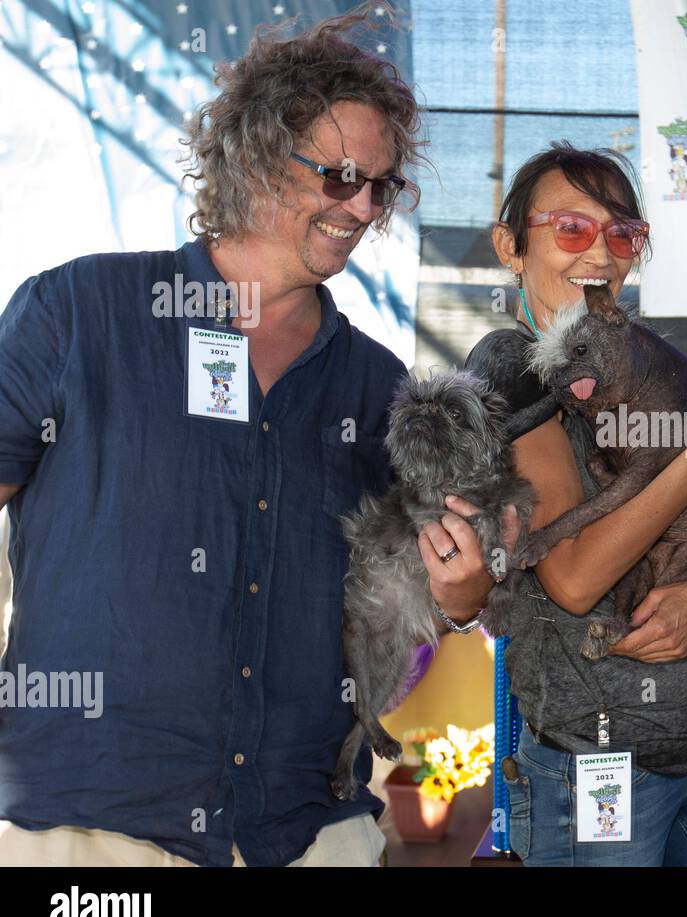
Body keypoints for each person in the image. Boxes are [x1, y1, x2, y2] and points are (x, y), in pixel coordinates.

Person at [0, 4, 516, 867]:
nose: (362, 206)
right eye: (341, 175)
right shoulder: (80, 313)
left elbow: (435, 590)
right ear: (257, 157)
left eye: (381, 186)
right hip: (88, 824)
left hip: (306, 826)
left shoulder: (380, 385)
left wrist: (461, 593)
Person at [476, 142, 687, 866]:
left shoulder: (637, 355)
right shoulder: (512, 370)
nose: (601, 252)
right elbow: (572, 581)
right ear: (510, 246)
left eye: (623, 233)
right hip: (592, 766)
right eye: (570, 227)